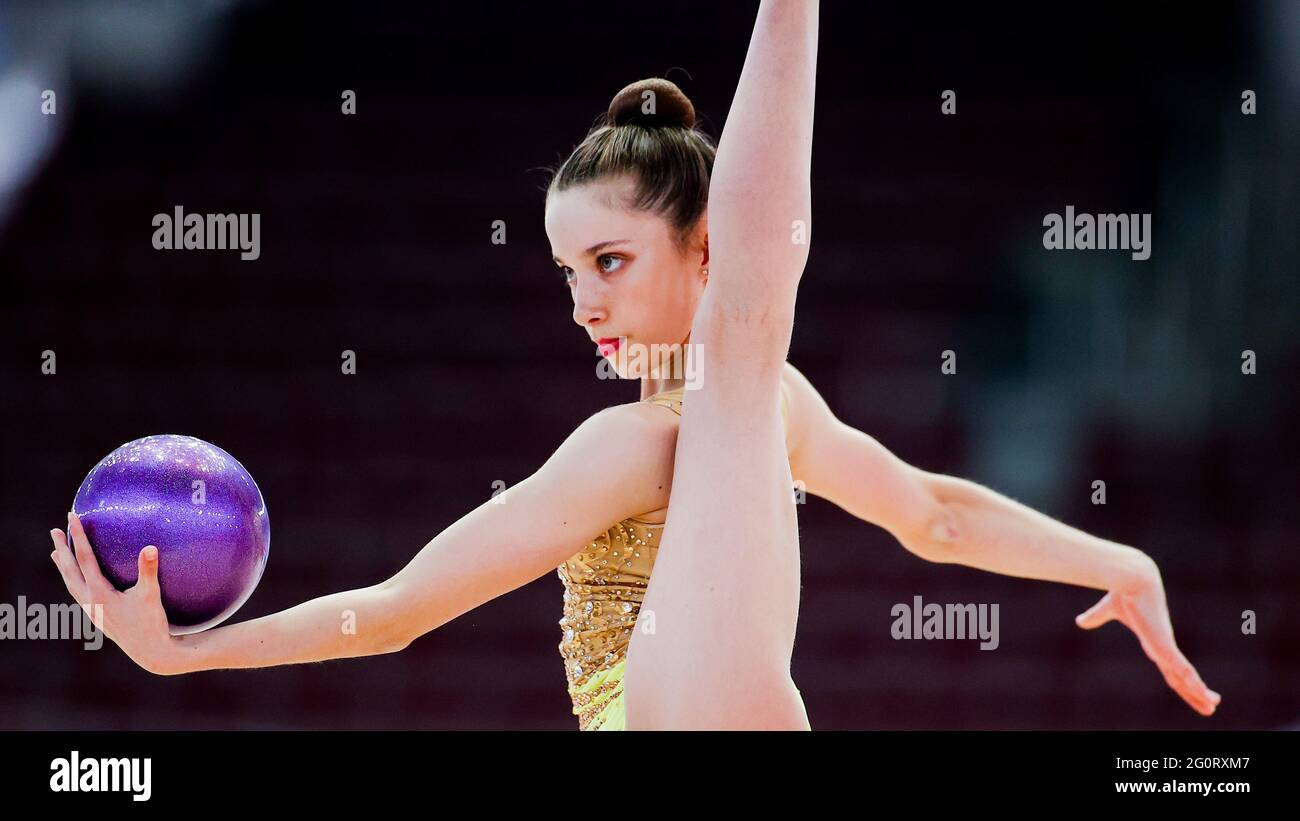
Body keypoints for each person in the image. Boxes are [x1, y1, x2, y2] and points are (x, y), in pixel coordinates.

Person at [49, 0, 1220, 730]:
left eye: (609, 259)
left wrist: (1116, 557)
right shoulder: (642, 439)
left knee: (741, 357)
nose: (584, 302)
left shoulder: (725, 400)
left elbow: (934, 517)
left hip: (696, 707)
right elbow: (396, 610)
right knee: (741, 370)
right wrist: (183, 654)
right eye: (566, 274)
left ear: (704, 243)